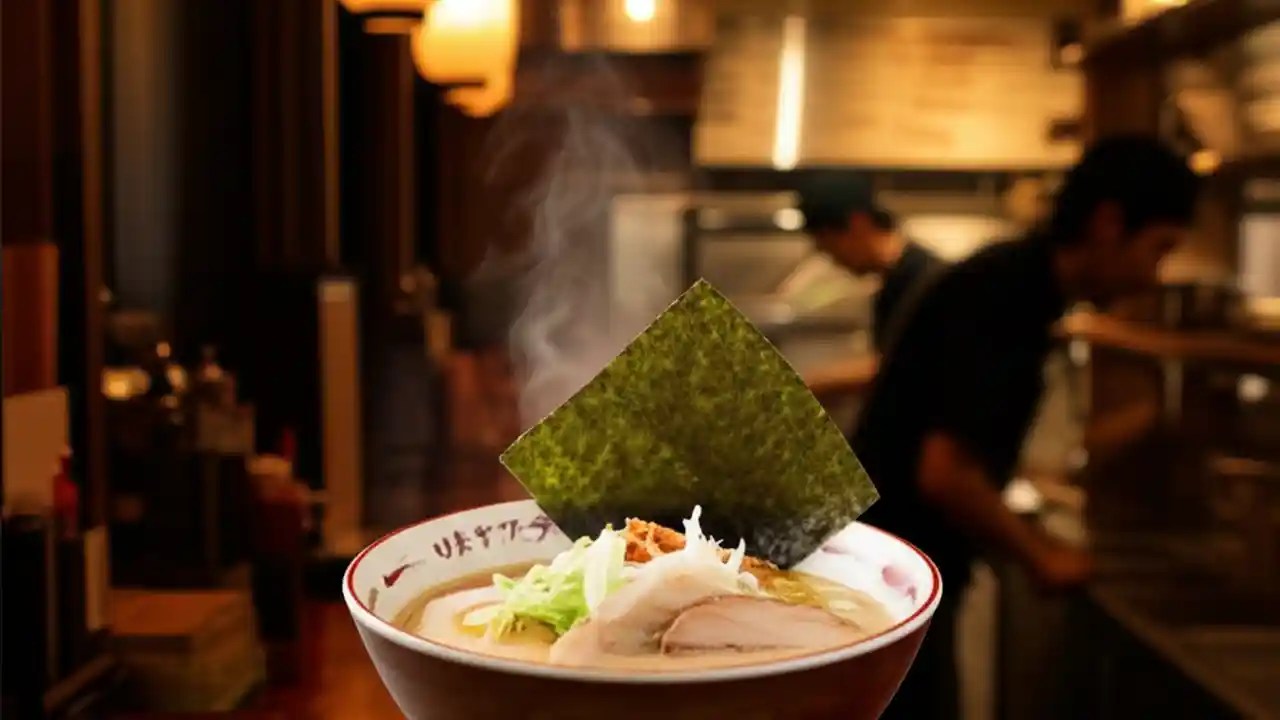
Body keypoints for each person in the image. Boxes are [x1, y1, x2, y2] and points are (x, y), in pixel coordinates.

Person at [852, 135, 1201, 720]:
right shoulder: (1006, 296)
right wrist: (1041, 554)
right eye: (1158, 248)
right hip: (891, 590)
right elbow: (946, 474)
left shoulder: (1018, 285)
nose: (1153, 275)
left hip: (889, 584)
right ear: (1109, 223)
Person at [798, 172, 943, 358]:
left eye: (831, 248)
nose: (836, 262)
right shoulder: (896, 282)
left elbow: (908, 362)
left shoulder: (922, 282)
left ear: (857, 224)